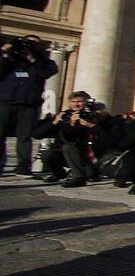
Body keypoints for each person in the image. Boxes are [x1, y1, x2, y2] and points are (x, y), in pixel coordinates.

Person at [0, 35, 58, 177]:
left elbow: (47, 72)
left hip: (29, 104)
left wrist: (33, 57)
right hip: (6, 101)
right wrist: (5, 53)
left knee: (25, 136)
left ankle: (23, 166)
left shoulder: (44, 62)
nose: (29, 45)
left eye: (34, 43)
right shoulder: (11, 60)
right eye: (27, 42)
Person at [49, 92, 107, 187]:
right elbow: (38, 134)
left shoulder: (94, 116)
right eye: (73, 101)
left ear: (86, 103)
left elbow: (105, 135)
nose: (76, 104)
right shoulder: (65, 115)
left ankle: (79, 178)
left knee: (69, 148)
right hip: (69, 152)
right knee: (48, 154)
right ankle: (59, 174)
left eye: (80, 101)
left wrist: (90, 125)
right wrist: (59, 122)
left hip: (88, 155)